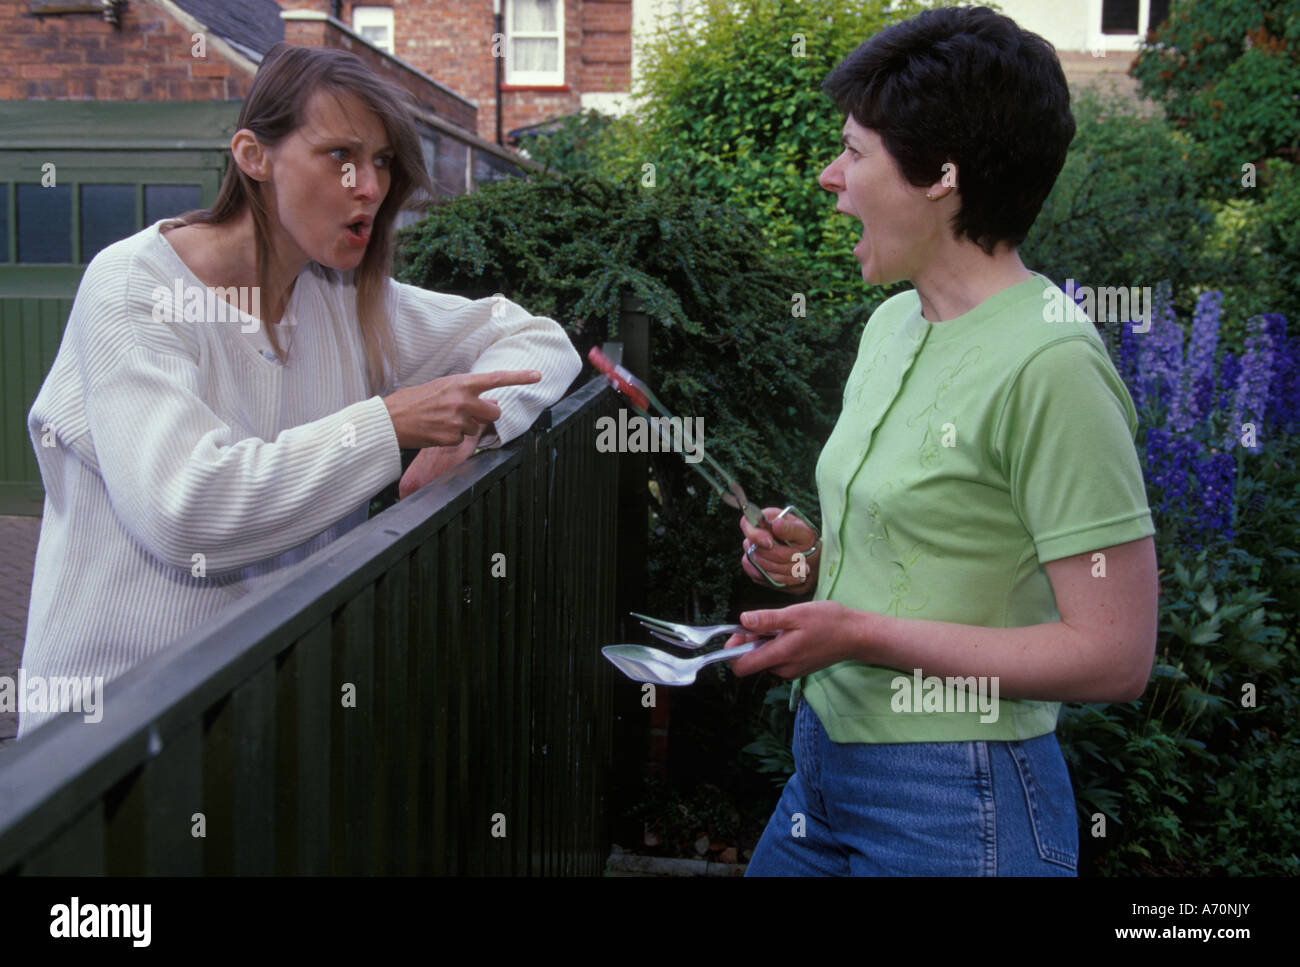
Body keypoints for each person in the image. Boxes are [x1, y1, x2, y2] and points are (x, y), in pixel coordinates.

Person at [18, 44, 581, 738]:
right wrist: (388, 426)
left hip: (270, 721)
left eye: (381, 161)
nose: (369, 186)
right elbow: (188, 510)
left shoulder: (341, 295)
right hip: (110, 741)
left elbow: (540, 340)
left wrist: (477, 426)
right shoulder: (134, 287)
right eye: (340, 155)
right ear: (254, 155)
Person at [725, 6, 1158, 875]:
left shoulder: (1053, 363)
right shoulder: (892, 325)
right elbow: (931, 559)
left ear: (942, 177)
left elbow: (1115, 655)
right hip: (823, 769)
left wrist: (859, 632)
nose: (827, 175)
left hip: (959, 803)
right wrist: (812, 570)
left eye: (854, 150)